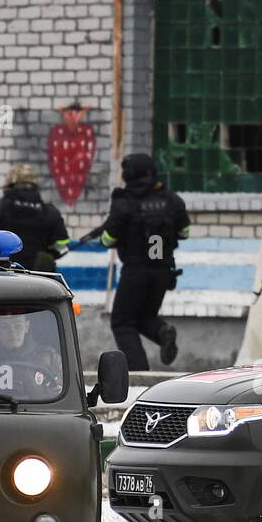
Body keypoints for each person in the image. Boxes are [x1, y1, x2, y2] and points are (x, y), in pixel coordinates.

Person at [87, 153, 189, 371]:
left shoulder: (124, 202)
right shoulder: (172, 200)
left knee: (122, 322)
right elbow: (185, 232)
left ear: (130, 175)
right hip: (163, 271)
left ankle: (138, 372)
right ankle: (162, 332)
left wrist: (105, 234)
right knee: (144, 317)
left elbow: (109, 239)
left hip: (136, 271)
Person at [0, 164, 70, 270]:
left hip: (1, 278)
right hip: (38, 279)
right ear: (35, 186)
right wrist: (50, 254)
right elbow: (62, 246)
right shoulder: (50, 213)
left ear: (9, 185)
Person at [0, 310, 63, 399]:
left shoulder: (48, 358)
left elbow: (60, 394)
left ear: (26, 326)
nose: (12, 332)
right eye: (4, 327)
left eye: (17, 326)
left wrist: (52, 393)